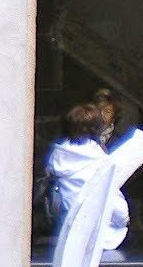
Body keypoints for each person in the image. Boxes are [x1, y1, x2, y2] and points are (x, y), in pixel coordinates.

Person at [44, 102, 130, 250]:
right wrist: (123, 218)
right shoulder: (99, 161)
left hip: (67, 229)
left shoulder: (56, 156)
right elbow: (111, 196)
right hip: (99, 235)